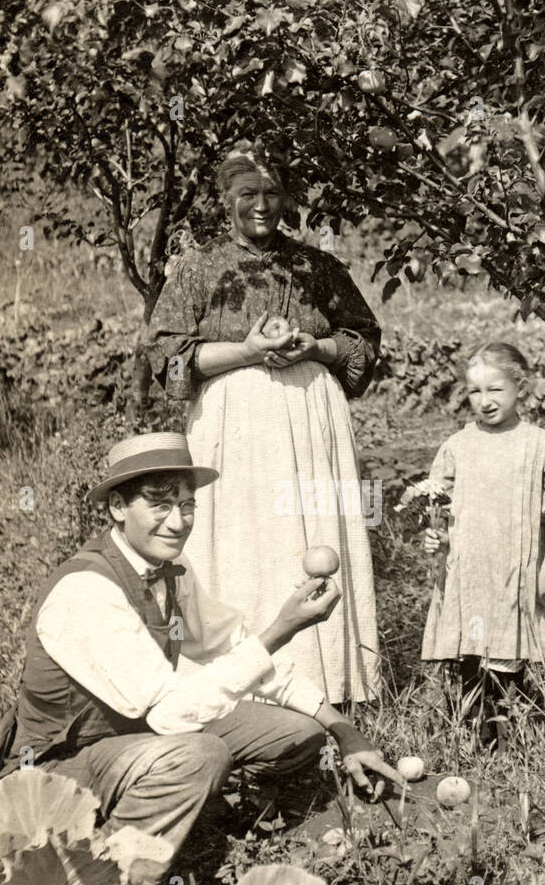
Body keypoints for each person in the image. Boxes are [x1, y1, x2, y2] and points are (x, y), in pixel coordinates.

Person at [0, 432, 399, 885]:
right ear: (117, 507)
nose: (177, 521)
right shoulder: (86, 589)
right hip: (53, 776)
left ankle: (194, 820)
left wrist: (342, 728)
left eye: (187, 504)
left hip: (131, 746)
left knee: (299, 732)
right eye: (160, 503)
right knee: (199, 754)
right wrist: (282, 629)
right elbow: (169, 713)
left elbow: (234, 644)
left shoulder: (171, 574)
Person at [143, 141, 381, 705]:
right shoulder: (200, 268)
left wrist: (315, 345)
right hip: (237, 423)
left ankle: (329, 685)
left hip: (310, 419)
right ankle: (243, 688)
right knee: (242, 539)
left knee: (314, 532)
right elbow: (168, 357)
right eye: (248, 193)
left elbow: (364, 342)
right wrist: (247, 351)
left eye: (272, 193)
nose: (261, 205)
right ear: (225, 200)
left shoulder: (315, 267)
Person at [421, 342, 545, 750]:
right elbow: (437, 504)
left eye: (495, 389)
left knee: (510, 649)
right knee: (472, 651)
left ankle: (511, 740)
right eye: (475, 391)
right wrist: (435, 536)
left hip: (517, 564)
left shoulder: (539, 443)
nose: (485, 401)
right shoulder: (458, 445)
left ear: (520, 387)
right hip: (471, 565)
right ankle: (474, 740)